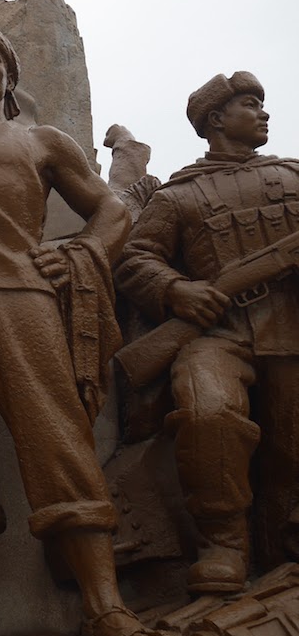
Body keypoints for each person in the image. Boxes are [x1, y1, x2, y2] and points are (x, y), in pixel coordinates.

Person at [0, 26, 179, 636]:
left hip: (17, 297)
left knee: (58, 440)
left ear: (10, 77)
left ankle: (104, 609)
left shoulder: (42, 142)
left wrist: (81, 251)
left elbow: (112, 211)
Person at [114, 72, 299, 593]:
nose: (264, 113)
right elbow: (135, 259)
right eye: (250, 104)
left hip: (291, 332)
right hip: (215, 335)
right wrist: (178, 292)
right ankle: (224, 544)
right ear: (216, 119)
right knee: (208, 414)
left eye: (263, 105)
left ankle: (283, 549)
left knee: (291, 449)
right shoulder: (178, 196)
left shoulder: (293, 177)